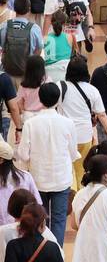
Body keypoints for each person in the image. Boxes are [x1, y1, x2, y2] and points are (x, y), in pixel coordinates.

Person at [15, 81, 78, 242]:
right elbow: (72, 152)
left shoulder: (30, 123)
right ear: (58, 100)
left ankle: (41, 250)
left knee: (41, 219)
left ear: (40, 99)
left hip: (38, 178)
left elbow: (23, 154)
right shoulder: (68, 123)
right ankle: (57, 254)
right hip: (61, 178)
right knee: (59, 219)